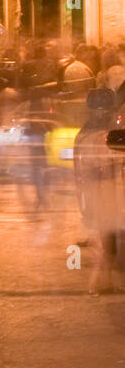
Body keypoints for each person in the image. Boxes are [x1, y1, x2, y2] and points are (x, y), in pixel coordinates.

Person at [73, 89, 125, 295]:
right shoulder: (95, 134)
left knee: (109, 235)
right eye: (98, 108)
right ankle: (100, 282)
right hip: (104, 190)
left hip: (106, 190)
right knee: (107, 236)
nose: (101, 113)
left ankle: (105, 281)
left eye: (105, 108)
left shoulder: (87, 134)